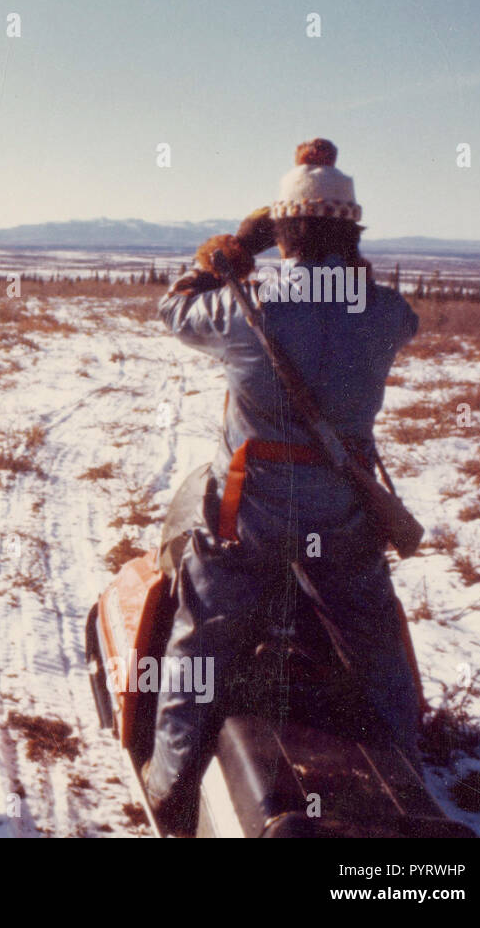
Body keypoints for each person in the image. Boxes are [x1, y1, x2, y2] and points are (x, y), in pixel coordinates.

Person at [144, 139, 421, 835]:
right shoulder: (385, 312)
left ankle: (169, 784)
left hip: (250, 518)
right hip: (343, 516)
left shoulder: (247, 307)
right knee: (375, 643)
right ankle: (407, 783)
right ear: (353, 231)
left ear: (283, 233)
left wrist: (236, 250)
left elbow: (173, 313)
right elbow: (400, 320)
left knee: (202, 642)